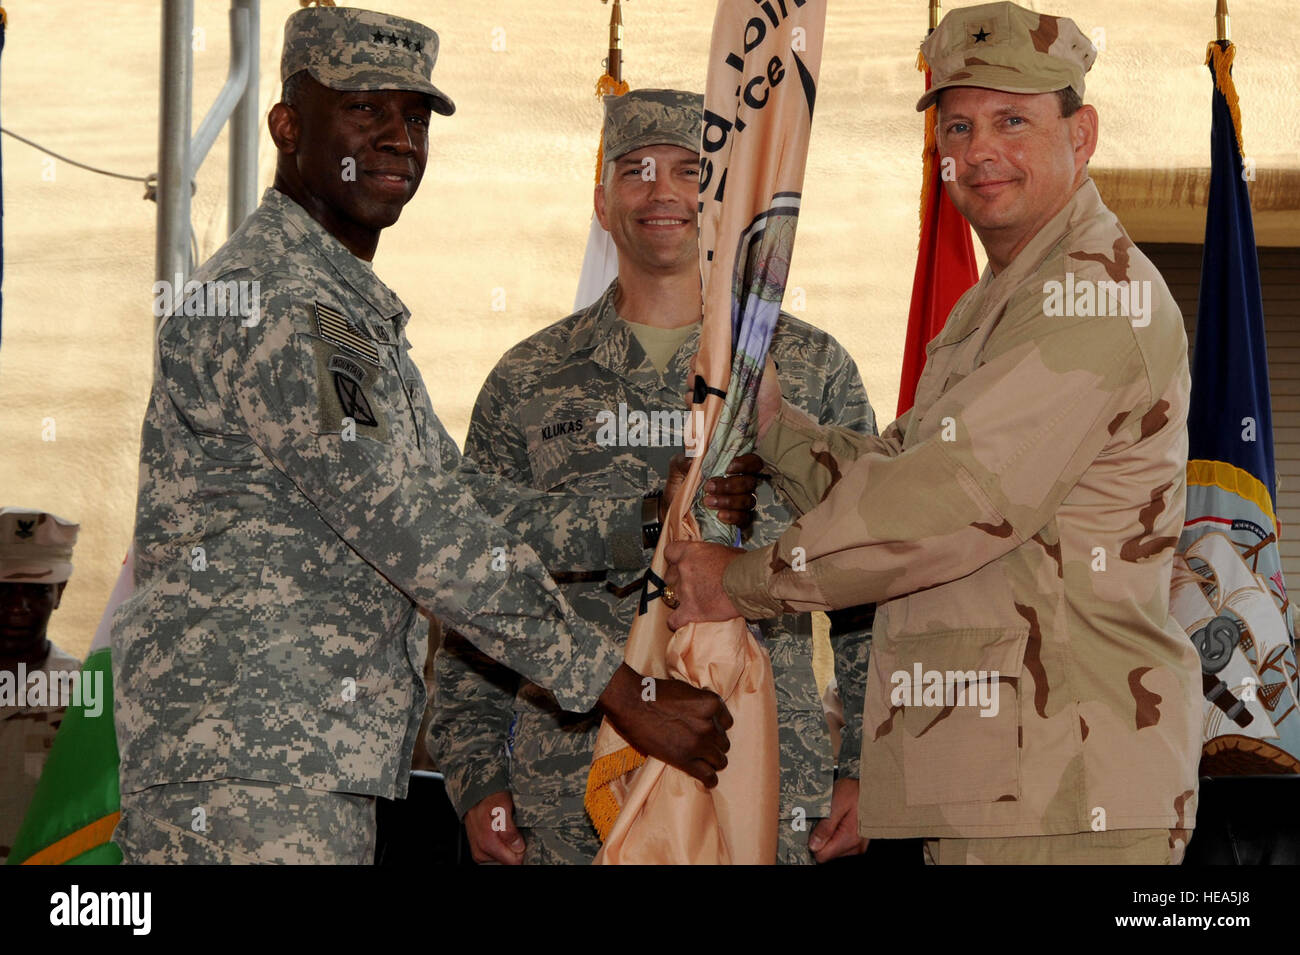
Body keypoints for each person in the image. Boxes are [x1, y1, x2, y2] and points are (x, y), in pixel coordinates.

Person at [111, 7, 752, 865]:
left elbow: (455, 497)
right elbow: (420, 531)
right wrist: (618, 686)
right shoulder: (280, 300)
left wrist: (639, 519)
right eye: (364, 111)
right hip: (247, 775)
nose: (398, 139)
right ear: (287, 126)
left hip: (292, 764)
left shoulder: (342, 306)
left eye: (413, 119)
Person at [663, 0, 1201, 865]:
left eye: (1012, 120)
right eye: (958, 124)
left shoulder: (1097, 296)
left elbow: (951, 500)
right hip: (1004, 780)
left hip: (1070, 794)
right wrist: (776, 429)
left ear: (1083, 133)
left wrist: (748, 582)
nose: (979, 149)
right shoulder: (1007, 295)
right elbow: (906, 464)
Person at [429, 89, 875, 866]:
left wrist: (867, 763)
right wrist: (475, 773)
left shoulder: (808, 369)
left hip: (761, 775)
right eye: (633, 171)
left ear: (725, 199)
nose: (661, 192)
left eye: (687, 172)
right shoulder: (529, 379)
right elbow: (477, 583)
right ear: (601, 201)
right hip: (572, 795)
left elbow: (869, 576)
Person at [0, 507, 83, 863]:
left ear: (60, 593)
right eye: (3, 590)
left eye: (36, 591)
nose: (18, 607)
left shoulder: (85, 693)